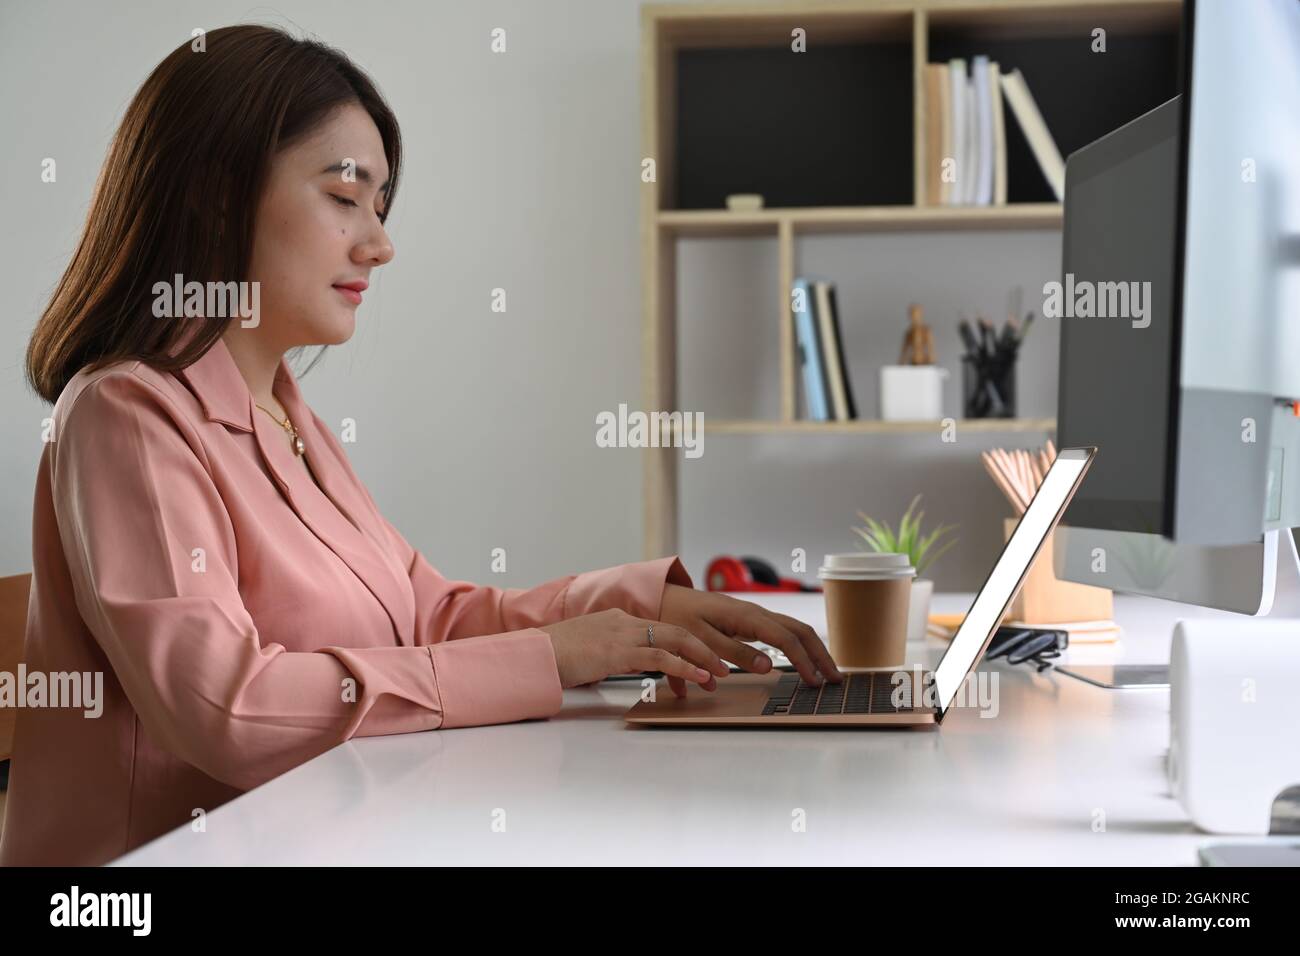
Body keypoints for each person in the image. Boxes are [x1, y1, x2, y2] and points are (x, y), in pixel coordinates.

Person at [1, 25, 839, 867]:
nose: (380, 243)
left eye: (380, 206)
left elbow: (429, 617)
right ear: (217, 195)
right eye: (343, 197)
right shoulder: (127, 414)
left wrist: (631, 613)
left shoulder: (290, 418)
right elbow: (228, 707)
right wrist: (549, 657)